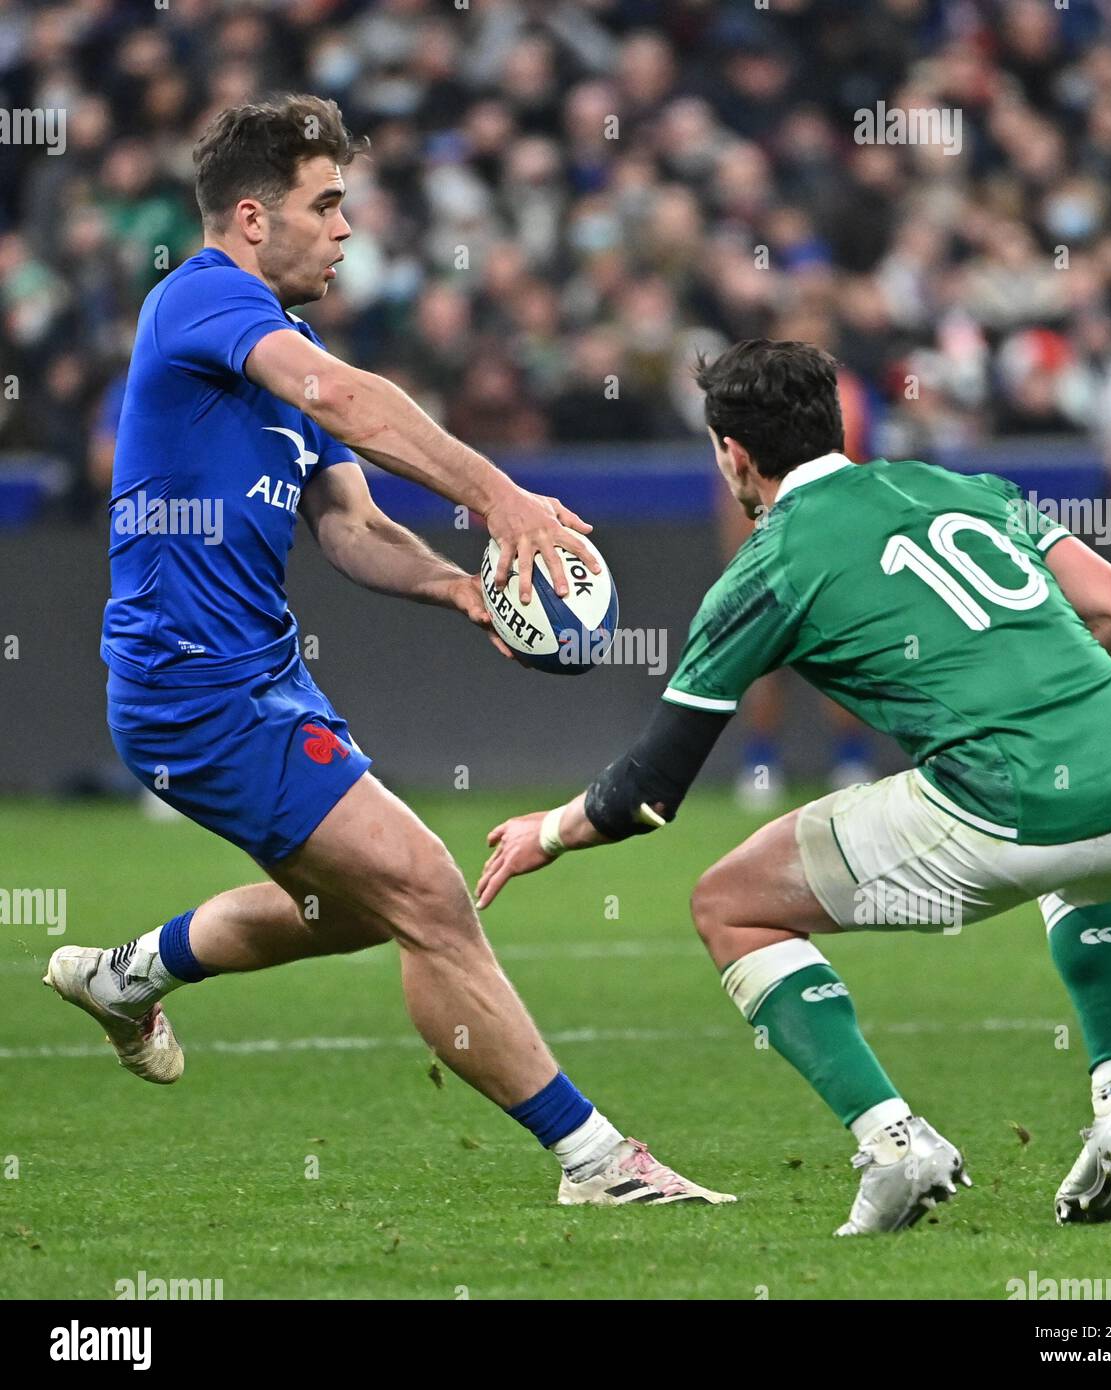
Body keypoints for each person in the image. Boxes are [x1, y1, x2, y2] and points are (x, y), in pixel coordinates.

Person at [44, 95, 731, 1209]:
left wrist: (461, 585)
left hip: (263, 675)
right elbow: (345, 399)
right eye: (328, 204)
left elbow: (353, 530)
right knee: (425, 891)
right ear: (254, 217)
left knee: (351, 907)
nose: (348, 228)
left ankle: (131, 975)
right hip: (191, 686)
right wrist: (500, 497)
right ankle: (599, 1163)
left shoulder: (284, 348)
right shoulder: (203, 297)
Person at [477, 338, 1111, 1235]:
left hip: (1003, 809)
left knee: (730, 904)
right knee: (1087, 871)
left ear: (732, 452)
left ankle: (894, 1143)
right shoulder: (963, 487)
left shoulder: (768, 566)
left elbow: (650, 790)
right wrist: (1049, 714)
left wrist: (549, 832)